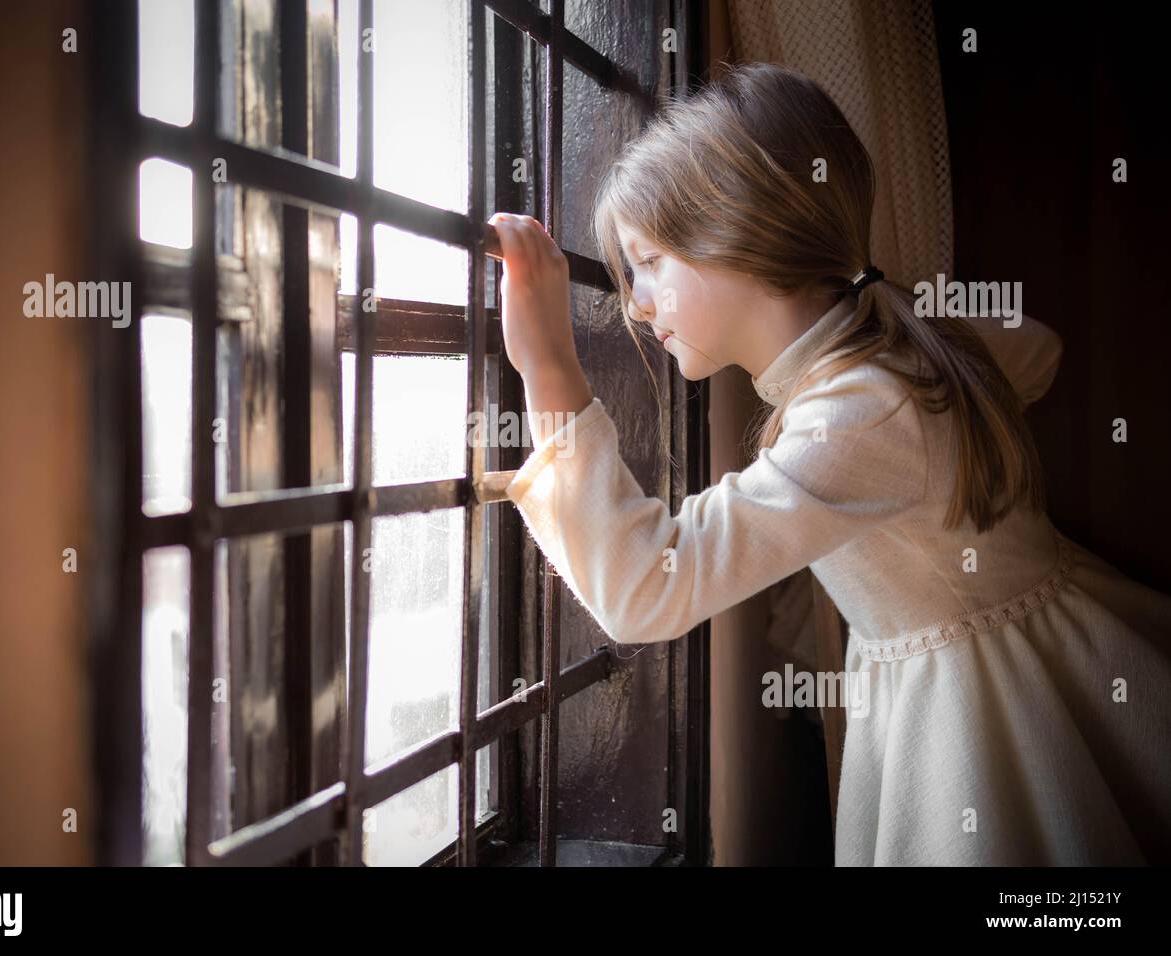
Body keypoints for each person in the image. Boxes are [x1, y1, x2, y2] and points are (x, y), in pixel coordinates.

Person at [485, 61, 1171, 866]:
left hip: (982, 725)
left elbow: (648, 588)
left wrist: (549, 369)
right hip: (1053, 649)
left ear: (740, 234)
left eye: (650, 263)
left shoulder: (856, 412)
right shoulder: (888, 349)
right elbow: (1038, 352)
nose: (635, 302)